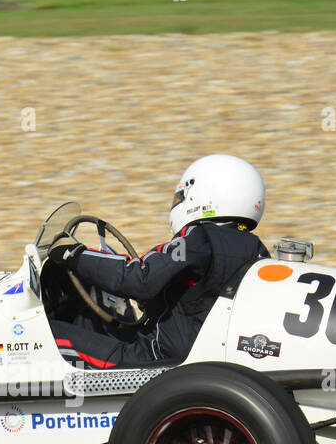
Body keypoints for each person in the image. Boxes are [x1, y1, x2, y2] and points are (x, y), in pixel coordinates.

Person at [47, 154, 272, 368]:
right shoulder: (256, 250)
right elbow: (199, 298)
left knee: (47, 336)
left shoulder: (200, 238)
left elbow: (139, 277)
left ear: (200, 194)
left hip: (154, 358)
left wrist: (73, 254)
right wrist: (158, 300)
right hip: (195, 354)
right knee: (87, 321)